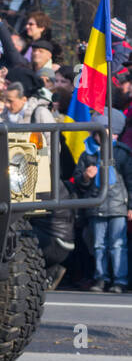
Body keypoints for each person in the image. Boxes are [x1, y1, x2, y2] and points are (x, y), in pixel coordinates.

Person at [72, 110, 132, 293]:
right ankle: (100, 277)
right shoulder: (87, 154)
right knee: (98, 244)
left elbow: (130, 181)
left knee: (118, 244)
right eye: (96, 132)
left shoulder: (121, 153)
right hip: (96, 206)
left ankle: (119, 280)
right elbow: (78, 183)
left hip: (117, 206)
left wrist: (130, 206)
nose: (98, 136)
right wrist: (86, 177)